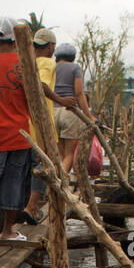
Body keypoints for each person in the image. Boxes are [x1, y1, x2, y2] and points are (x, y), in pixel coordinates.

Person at [0, 18, 73, 241]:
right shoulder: (24, 65)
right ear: (16, 39)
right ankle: (8, 230)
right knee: (13, 183)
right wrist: (59, 101)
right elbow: (38, 93)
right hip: (19, 134)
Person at [22, 29, 62, 223]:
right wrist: (61, 100)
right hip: (40, 126)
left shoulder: (25, 62)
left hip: (23, 125)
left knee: (25, 168)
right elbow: (43, 85)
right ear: (51, 47)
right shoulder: (47, 62)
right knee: (42, 167)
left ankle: (24, 207)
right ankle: (31, 207)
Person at [53, 42, 97, 175]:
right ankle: (60, 185)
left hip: (53, 111)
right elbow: (79, 93)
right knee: (69, 155)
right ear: (72, 57)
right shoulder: (75, 68)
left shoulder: (52, 67)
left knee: (60, 155)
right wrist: (89, 116)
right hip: (70, 112)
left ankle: (56, 185)